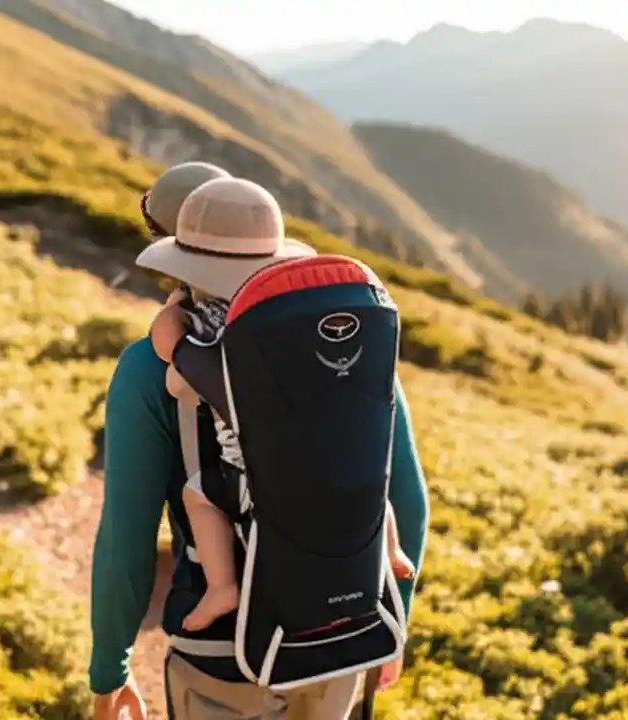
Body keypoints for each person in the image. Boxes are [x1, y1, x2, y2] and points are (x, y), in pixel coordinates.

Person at [90, 168, 429, 720]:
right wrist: (394, 624)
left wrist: (109, 672)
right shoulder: (345, 346)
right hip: (343, 635)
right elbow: (406, 502)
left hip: (225, 653)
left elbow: (123, 545)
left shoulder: (148, 367)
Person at [148, 277, 416, 633]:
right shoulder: (307, 341)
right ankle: (392, 551)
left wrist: (174, 311)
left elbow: (172, 364)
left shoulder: (217, 352)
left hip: (272, 489)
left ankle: (222, 587)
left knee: (197, 494)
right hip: (345, 475)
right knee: (369, 486)